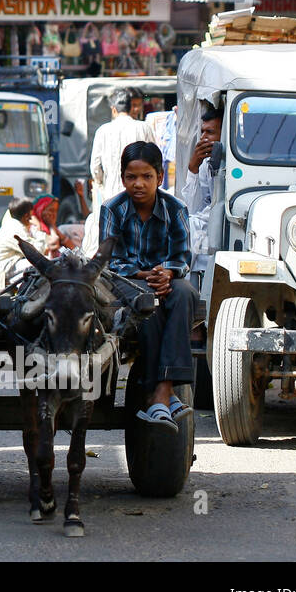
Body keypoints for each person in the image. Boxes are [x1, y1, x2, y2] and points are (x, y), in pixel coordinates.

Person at [99, 141, 196, 431]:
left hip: (165, 280)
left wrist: (167, 272)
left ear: (160, 177)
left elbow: (182, 257)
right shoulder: (112, 209)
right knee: (147, 301)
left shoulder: (176, 209)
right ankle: (166, 394)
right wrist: (146, 275)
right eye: (131, 177)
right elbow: (111, 261)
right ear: (122, 177)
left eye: (147, 177)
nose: (138, 184)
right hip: (125, 283)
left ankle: (161, 392)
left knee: (186, 293)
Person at [89, 88, 154, 208]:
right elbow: (155, 160)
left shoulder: (102, 131)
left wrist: (102, 184)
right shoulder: (144, 128)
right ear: (130, 108)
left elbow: (95, 167)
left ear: (113, 110)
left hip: (111, 196)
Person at [0, 198, 35, 294]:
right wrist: (39, 230)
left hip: (3, 271)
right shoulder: (15, 229)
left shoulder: (13, 225)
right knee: (35, 267)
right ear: (26, 216)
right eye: (31, 215)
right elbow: (35, 252)